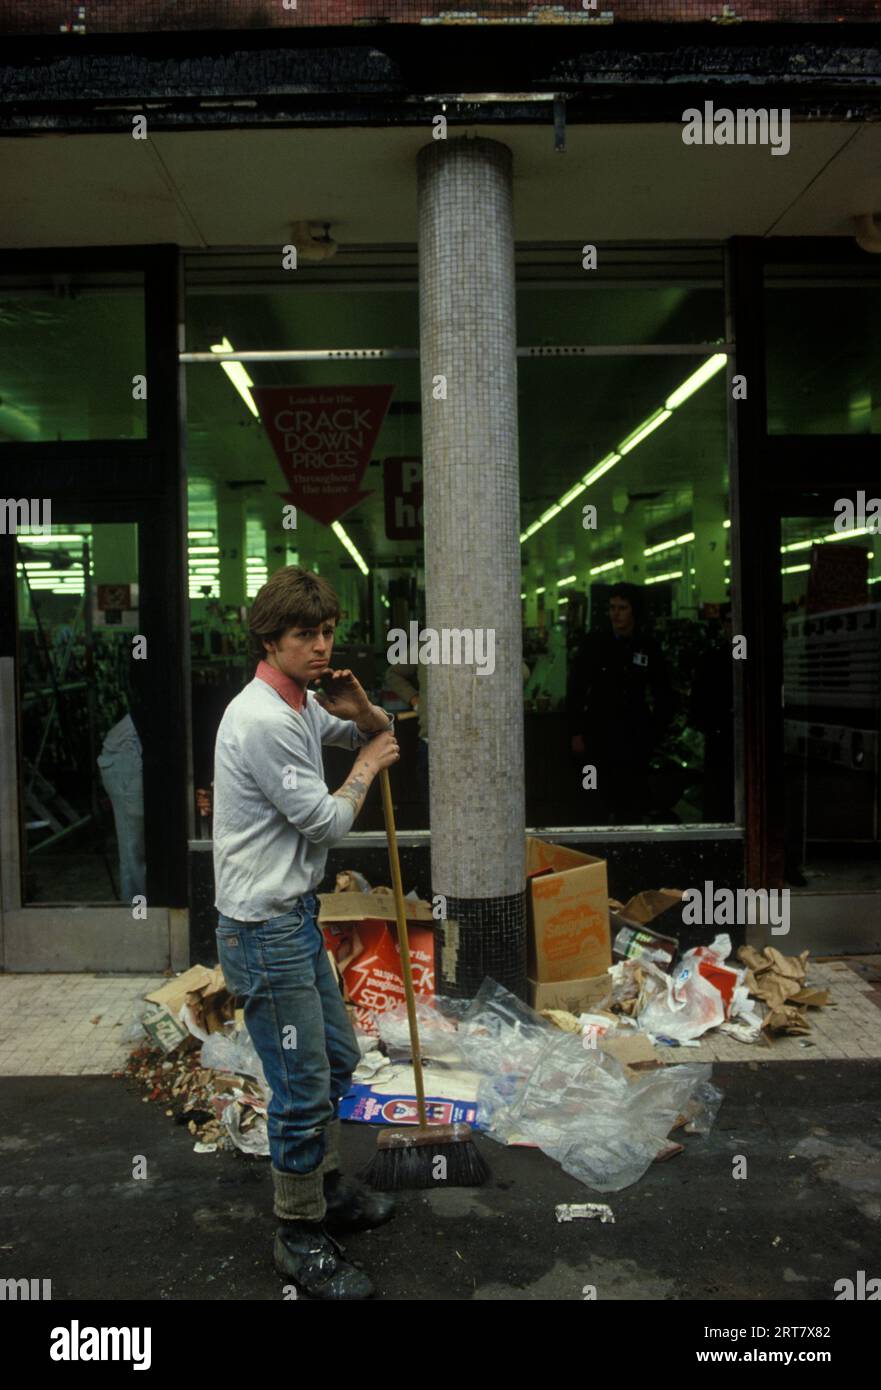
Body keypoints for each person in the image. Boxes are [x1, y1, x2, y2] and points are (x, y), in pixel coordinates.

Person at [212, 566, 400, 1300]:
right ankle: (297, 1236)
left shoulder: (296, 700)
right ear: (270, 639)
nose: (320, 645)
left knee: (339, 1061)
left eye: (326, 632)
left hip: (292, 917)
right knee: (298, 1089)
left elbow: (371, 726)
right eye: (304, 635)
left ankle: (323, 1191)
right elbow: (324, 818)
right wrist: (365, 761)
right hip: (262, 929)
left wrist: (364, 714)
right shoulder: (259, 718)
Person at [567, 582, 676, 824]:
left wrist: (654, 733)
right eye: (612, 607)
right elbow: (576, 690)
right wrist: (576, 732)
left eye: (622, 608)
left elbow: (664, 693)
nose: (615, 613)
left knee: (630, 803)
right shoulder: (594, 644)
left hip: (633, 740)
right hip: (596, 738)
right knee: (592, 796)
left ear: (634, 611)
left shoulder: (648, 647)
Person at [688, 602, 735, 822]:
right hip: (719, 744)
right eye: (729, 621)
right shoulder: (711, 660)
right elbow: (697, 705)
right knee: (719, 799)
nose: (734, 627)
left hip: (748, 747)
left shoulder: (758, 660)